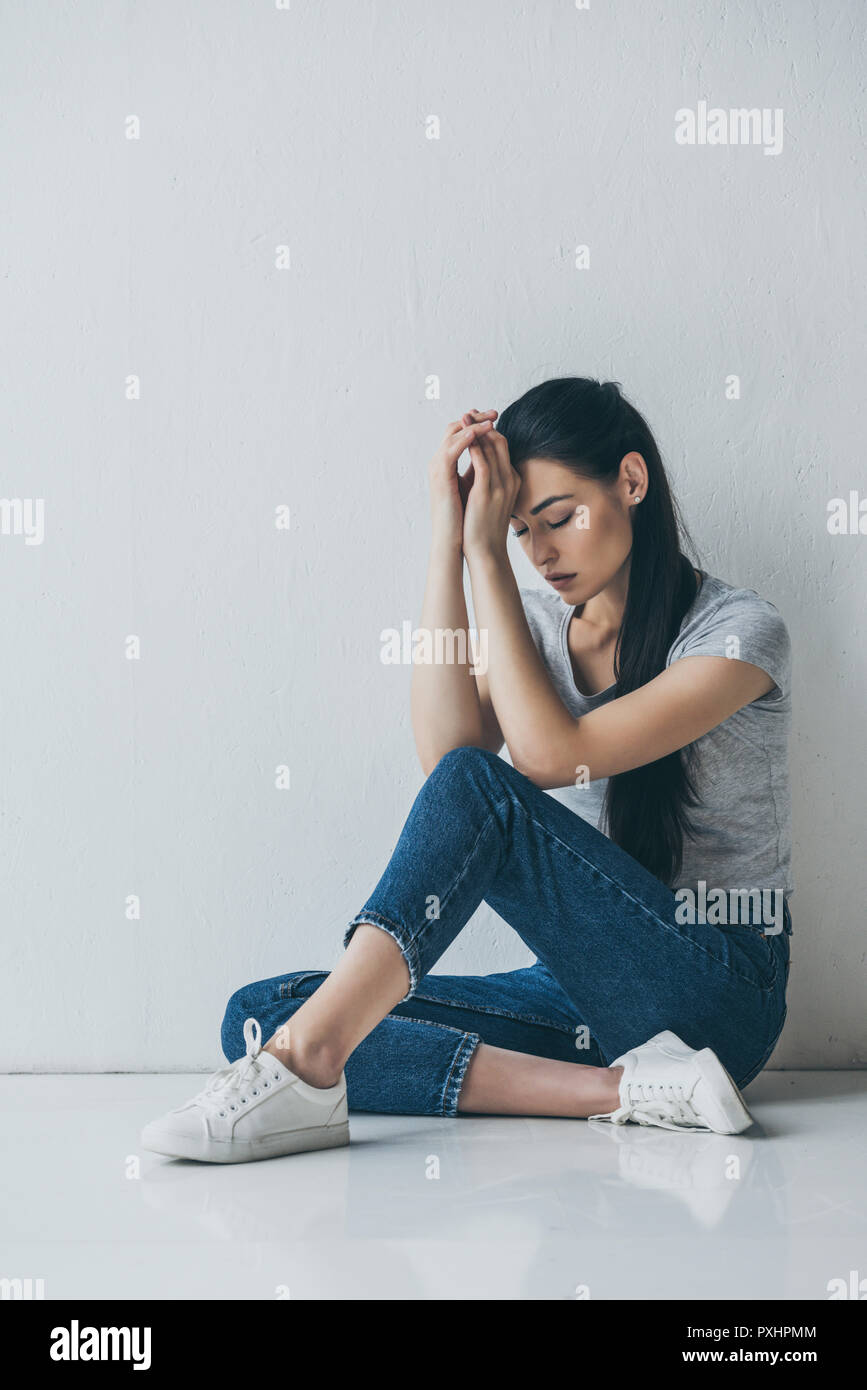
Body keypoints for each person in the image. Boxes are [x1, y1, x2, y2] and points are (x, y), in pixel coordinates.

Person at [142, 377, 793, 1164]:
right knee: (263, 1012)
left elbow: (547, 760)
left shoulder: (738, 634)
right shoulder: (546, 633)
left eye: (556, 519)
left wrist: (488, 556)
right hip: (584, 997)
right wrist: (447, 544)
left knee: (466, 808)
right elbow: (444, 748)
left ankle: (309, 1068)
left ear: (630, 481)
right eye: (519, 531)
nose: (540, 552)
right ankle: (633, 1091)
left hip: (720, 987)